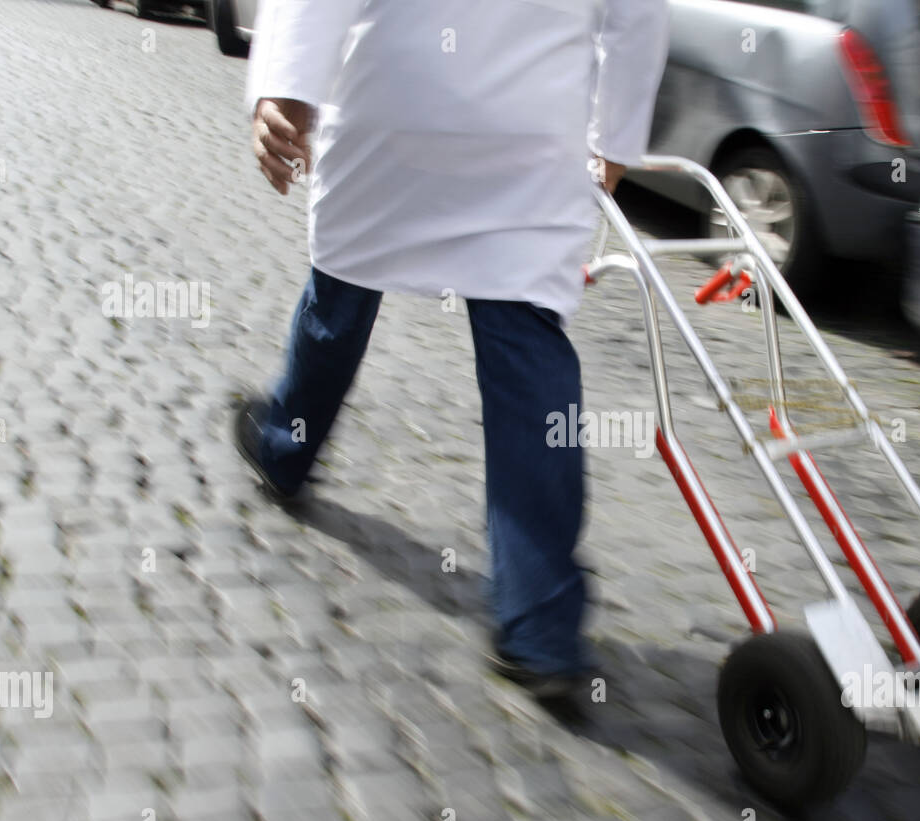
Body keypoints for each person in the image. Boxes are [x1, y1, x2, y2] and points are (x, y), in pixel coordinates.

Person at [233, 0, 670, 699]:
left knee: (339, 301)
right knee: (528, 354)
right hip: (528, 134)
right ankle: (541, 630)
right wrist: (613, 143)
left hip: (394, 104)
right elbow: (638, 16)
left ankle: (286, 446)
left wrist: (284, 92)